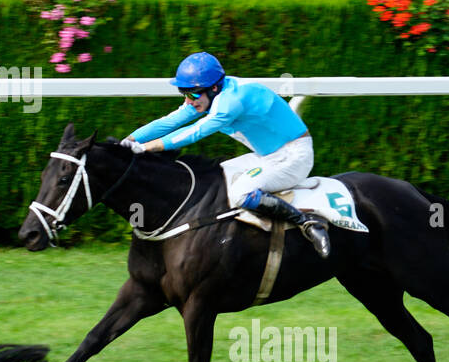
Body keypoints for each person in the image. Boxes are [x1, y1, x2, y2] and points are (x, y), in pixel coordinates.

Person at [120, 52, 331, 258]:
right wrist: (130, 140)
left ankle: (307, 222)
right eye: (184, 93)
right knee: (215, 179)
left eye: (193, 94)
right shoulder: (210, 94)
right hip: (267, 155)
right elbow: (170, 121)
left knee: (241, 193)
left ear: (213, 88)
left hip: (294, 157)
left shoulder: (231, 102)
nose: (189, 100)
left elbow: (194, 132)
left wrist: (146, 148)